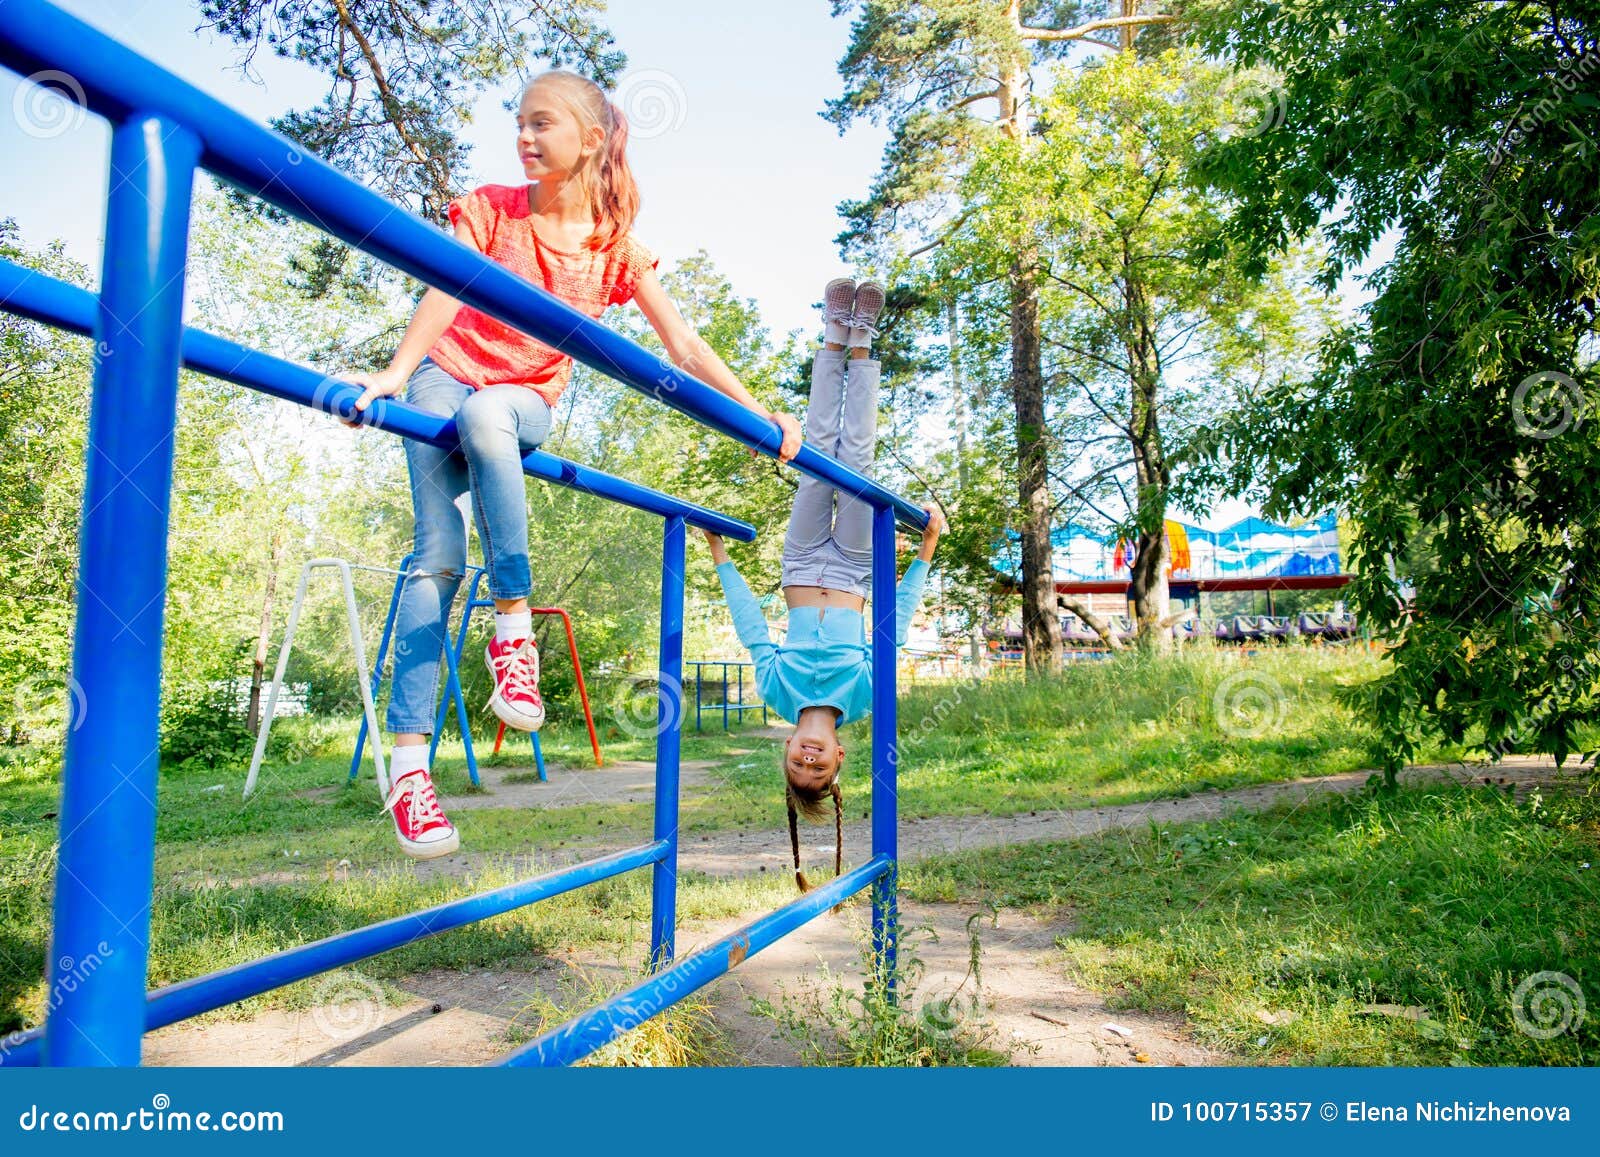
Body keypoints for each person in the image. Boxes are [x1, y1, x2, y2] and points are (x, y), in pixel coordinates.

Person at [340, 70, 803, 859]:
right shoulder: (490, 209)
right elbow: (444, 294)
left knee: (489, 415)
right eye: (518, 123)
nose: (523, 136)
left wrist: (757, 411)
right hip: (440, 375)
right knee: (439, 556)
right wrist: (393, 373)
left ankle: (512, 626)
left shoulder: (613, 247)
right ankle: (411, 771)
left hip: (520, 400)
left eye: (541, 123)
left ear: (589, 139)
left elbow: (681, 346)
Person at [701, 276, 944, 891]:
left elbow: (753, 629)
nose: (807, 761)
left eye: (795, 766)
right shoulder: (864, 700)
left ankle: (833, 335)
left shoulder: (777, 692)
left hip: (804, 562)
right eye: (819, 771)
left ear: (785, 747)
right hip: (857, 572)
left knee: (812, 457)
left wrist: (721, 559)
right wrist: (924, 554)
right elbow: (894, 627)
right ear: (839, 761)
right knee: (857, 460)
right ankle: (862, 343)